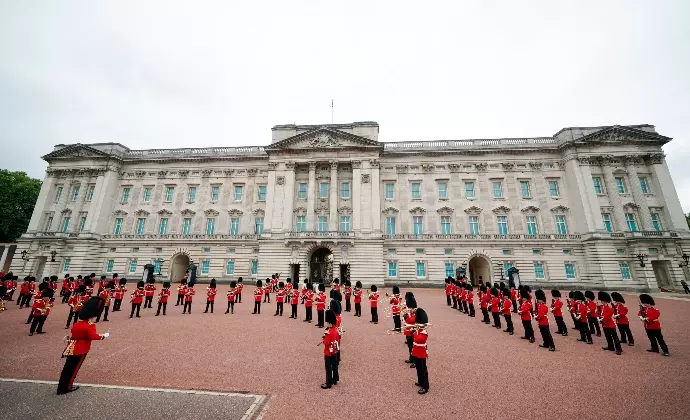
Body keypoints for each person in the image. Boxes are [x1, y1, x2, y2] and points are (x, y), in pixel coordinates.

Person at [57, 296, 110, 395]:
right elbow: (92, 336)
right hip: (81, 349)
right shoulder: (90, 325)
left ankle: (61, 386)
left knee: (67, 368)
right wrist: (103, 336)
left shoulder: (77, 323)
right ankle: (67, 387)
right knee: (74, 370)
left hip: (72, 347)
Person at [411, 308, 430, 395]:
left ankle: (425, 386)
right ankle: (420, 381)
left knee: (423, 369)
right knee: (418, 368)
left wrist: (414, 332)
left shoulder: (424, 332)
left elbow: (418, 339)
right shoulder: (419, 330)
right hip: (416, 351)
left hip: (421, 352)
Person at [321, 308, 340, 389]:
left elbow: (326, 343)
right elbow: (338, 338)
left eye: (327, 322)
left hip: (328, 351)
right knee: (335, 365)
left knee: (328, 367)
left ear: (329, 322)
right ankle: (335, 379)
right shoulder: (335, 329)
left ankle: (328, 383)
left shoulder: (328, 331)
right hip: (335, 350)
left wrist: (324, 338)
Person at [403, 293, 417, 368]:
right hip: (407, 332)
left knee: (413, 347)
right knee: (409, 346)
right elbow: (406, 321)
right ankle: (411, 358)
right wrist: (405, 317)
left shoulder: (416, 314)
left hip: (413, 332)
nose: (409, 309)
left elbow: (414, 323)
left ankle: (415, 361)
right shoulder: (409, 313)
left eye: (410, 308)